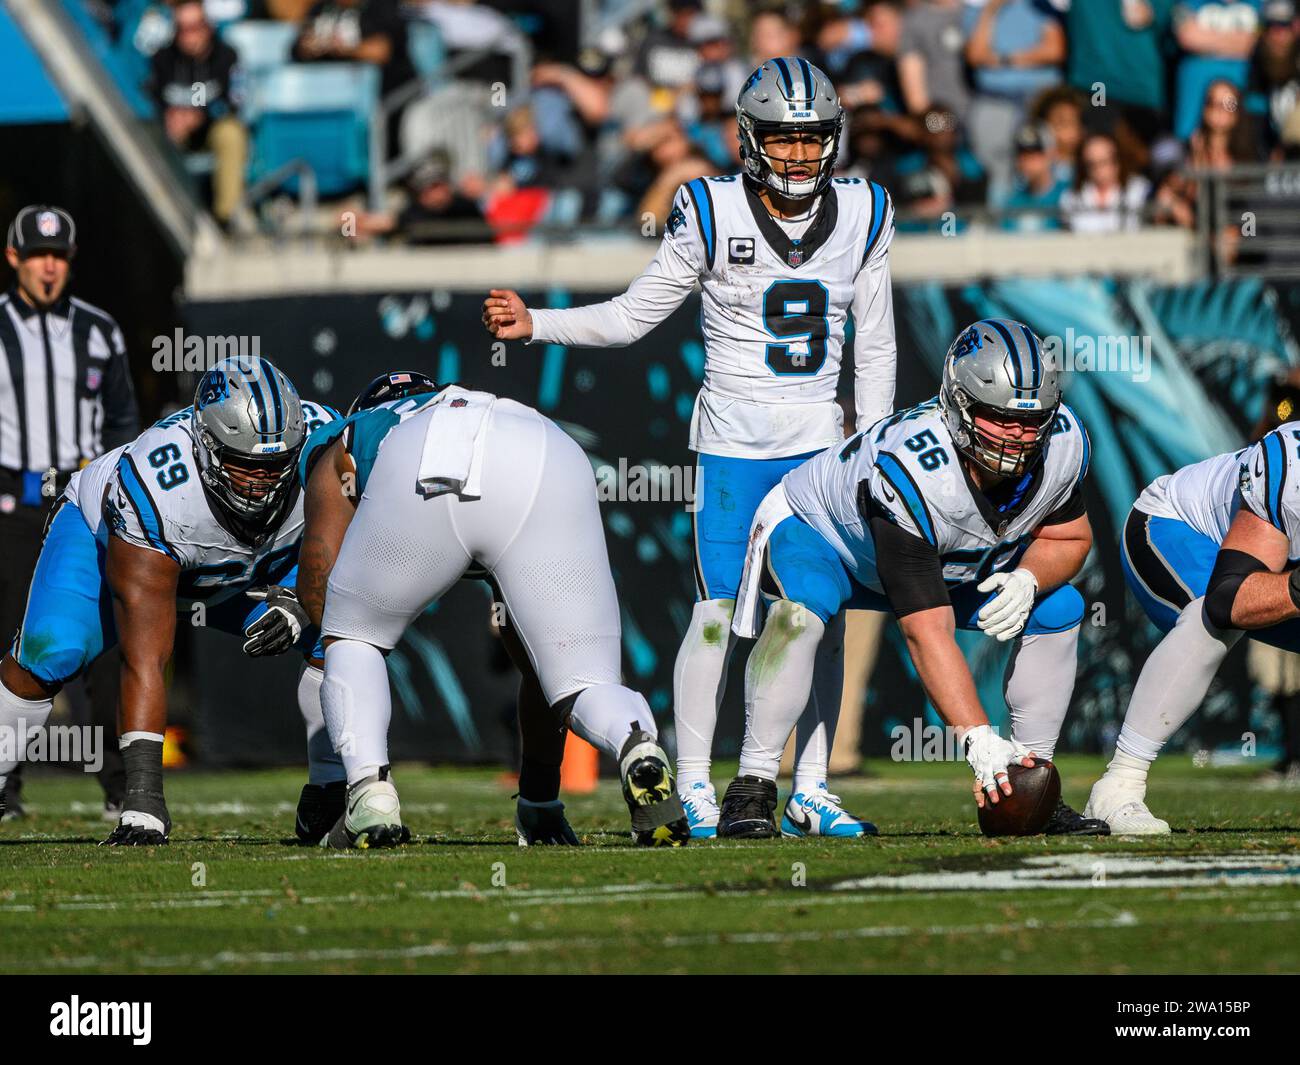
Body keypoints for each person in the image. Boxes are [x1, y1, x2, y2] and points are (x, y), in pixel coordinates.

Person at [483, 58, 897, 839]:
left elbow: (873, 345)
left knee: (821, 619)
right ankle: (699, 784)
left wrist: (867, 449)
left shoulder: (867, 212)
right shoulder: (710, 209)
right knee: (716, 615)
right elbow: (634, 315)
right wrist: (539, 322)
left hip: (820, 449)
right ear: (750, 139)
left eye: (813, 141)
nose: (802, 157)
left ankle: (809, 786)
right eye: (785, 140)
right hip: (736, 446)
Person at [720, 319, 1107, 838]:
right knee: (799, 616)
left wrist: (1029, 580)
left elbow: (1068, 540)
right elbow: (926, 631)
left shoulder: (1060, 445)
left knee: (1059, 609)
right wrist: (978, 741)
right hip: (823, 537)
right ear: (958, 403)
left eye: (1032, 419)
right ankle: (751, 789)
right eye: (999, 417)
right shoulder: (916, 469)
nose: (1019, 435)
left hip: (943, 558)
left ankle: (1034, 784)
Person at [295, 383, 688, 848]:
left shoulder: (356, 433)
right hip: (547, 452)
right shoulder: (484, 410)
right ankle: (633, 743)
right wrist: (539, 802)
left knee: (352, 633)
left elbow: (316, 588)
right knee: (580, 679)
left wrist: (325, 619)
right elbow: (535, 666)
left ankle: (370, 797)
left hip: (424, 460)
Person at [0, 357, 340, 842]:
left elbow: (355, 549)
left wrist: (303, 601)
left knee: (341, 627)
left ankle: (330, 794)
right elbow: (145, 659)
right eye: (243, 463)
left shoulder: (326, 445)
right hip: (115, 540)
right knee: (53, 653)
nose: (261, 480)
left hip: (244, 568)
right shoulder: (157, 488)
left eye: (276, 463)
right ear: (205, 445)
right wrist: (144, 799)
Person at [1087, 415, 1300, 832]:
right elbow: (1229, 600)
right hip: (1176, 527)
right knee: (1212, 617)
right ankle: (1120, 784)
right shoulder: (1291, 467)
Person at [0, 205, 139, 821]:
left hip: (79, 509)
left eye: (58, 256)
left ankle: (118, 785)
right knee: (15, 647)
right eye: (37, 256)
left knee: (101, 647)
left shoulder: (100, 330)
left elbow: (124, 424)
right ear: (14, 260)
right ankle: (4, 786)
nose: (49, 267)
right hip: (10, 506)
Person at [148, 1, 247, 225]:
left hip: (211, 130)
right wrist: (169, 117)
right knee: (151, 137)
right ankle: (167, 217)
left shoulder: (226, 56)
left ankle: (225, 218)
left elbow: (236, 102)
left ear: (208, 26)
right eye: (183, 29)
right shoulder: (162, 59)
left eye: (196, 27)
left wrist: (201, 116)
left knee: (232, 133)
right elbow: (150, 99)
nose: (189, 36)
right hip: (173, 134)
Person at [1059, 131, 1151, 232]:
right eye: (1091, 164)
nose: (1098, 170)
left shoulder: (1140, 189)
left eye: (1104, 162)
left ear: (1117, 161)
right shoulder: (1071, 198)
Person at [1000, 122, 1069, 229]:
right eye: (1022, 153)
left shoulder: (1069, 195)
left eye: (1035, 152)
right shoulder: (1012, 202)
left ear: (1051, 153)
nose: (1027, 160)